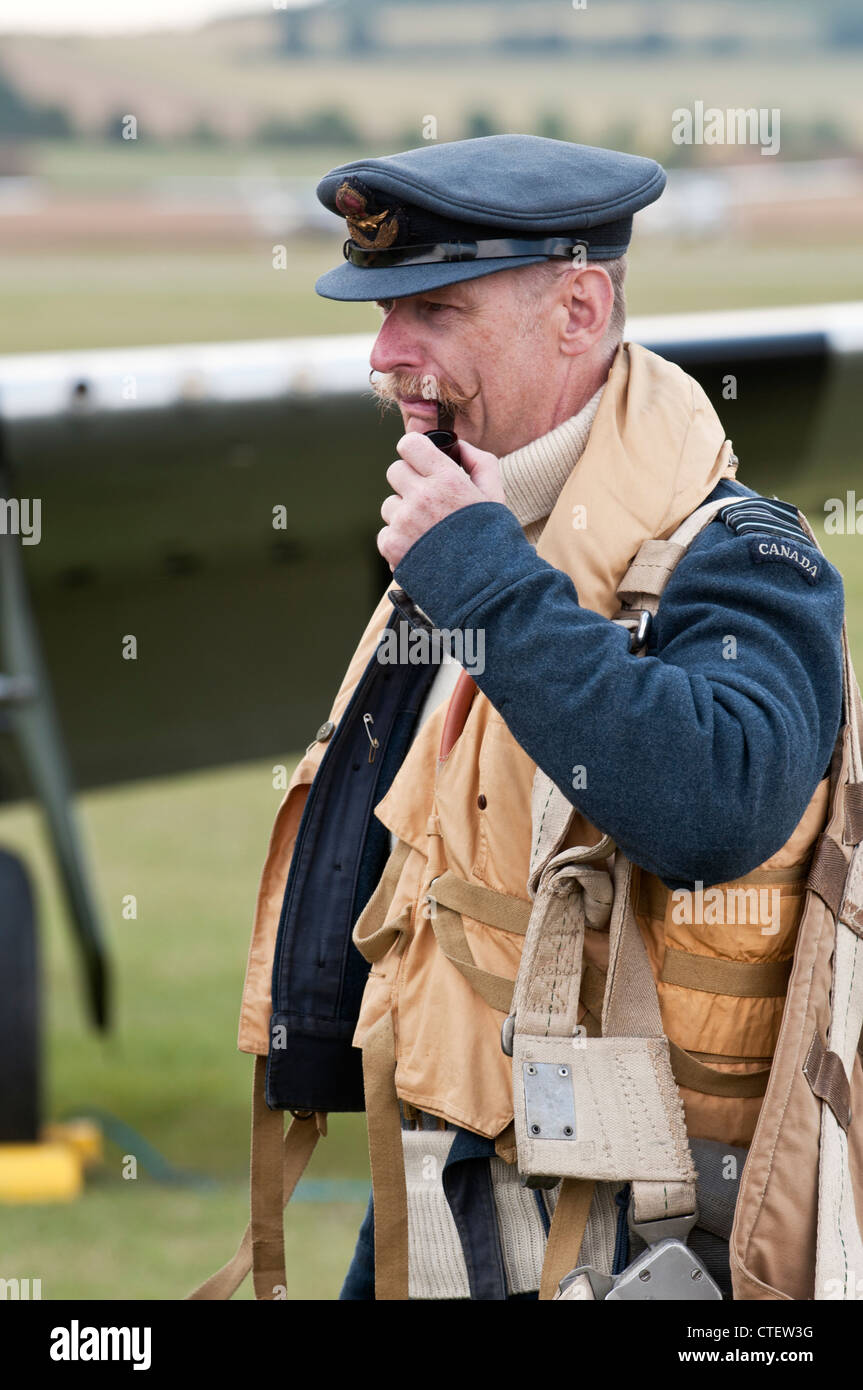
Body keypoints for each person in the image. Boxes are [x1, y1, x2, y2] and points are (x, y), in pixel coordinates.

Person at [234, 135, 846, 1301]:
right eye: (381, 311)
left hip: (640, 1242)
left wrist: (484, 580)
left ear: (578, 308)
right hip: (441, 1181)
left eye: (433, 310)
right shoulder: (473, 526)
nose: (385, 353)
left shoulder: (745, 554)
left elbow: (715, 798)